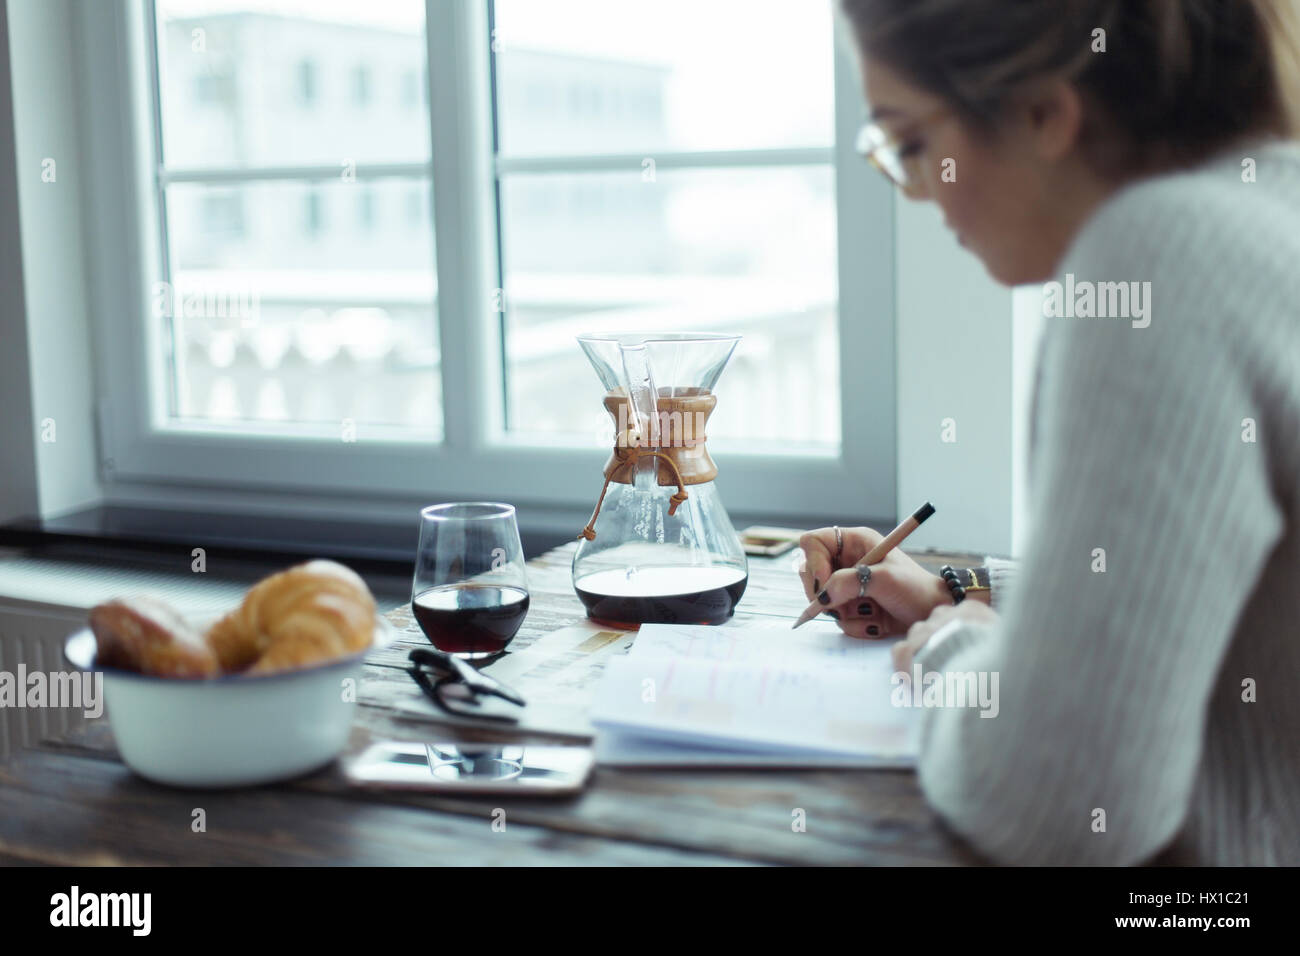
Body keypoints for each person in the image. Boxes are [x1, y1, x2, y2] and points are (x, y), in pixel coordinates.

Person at [796, 0, 1300, 864]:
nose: (914, 193)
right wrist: (960, 593)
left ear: (1041, 111)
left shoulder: (1161, 258)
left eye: (911, 144)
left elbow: (1057, 803)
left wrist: (952, 649)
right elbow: (1186, 612)